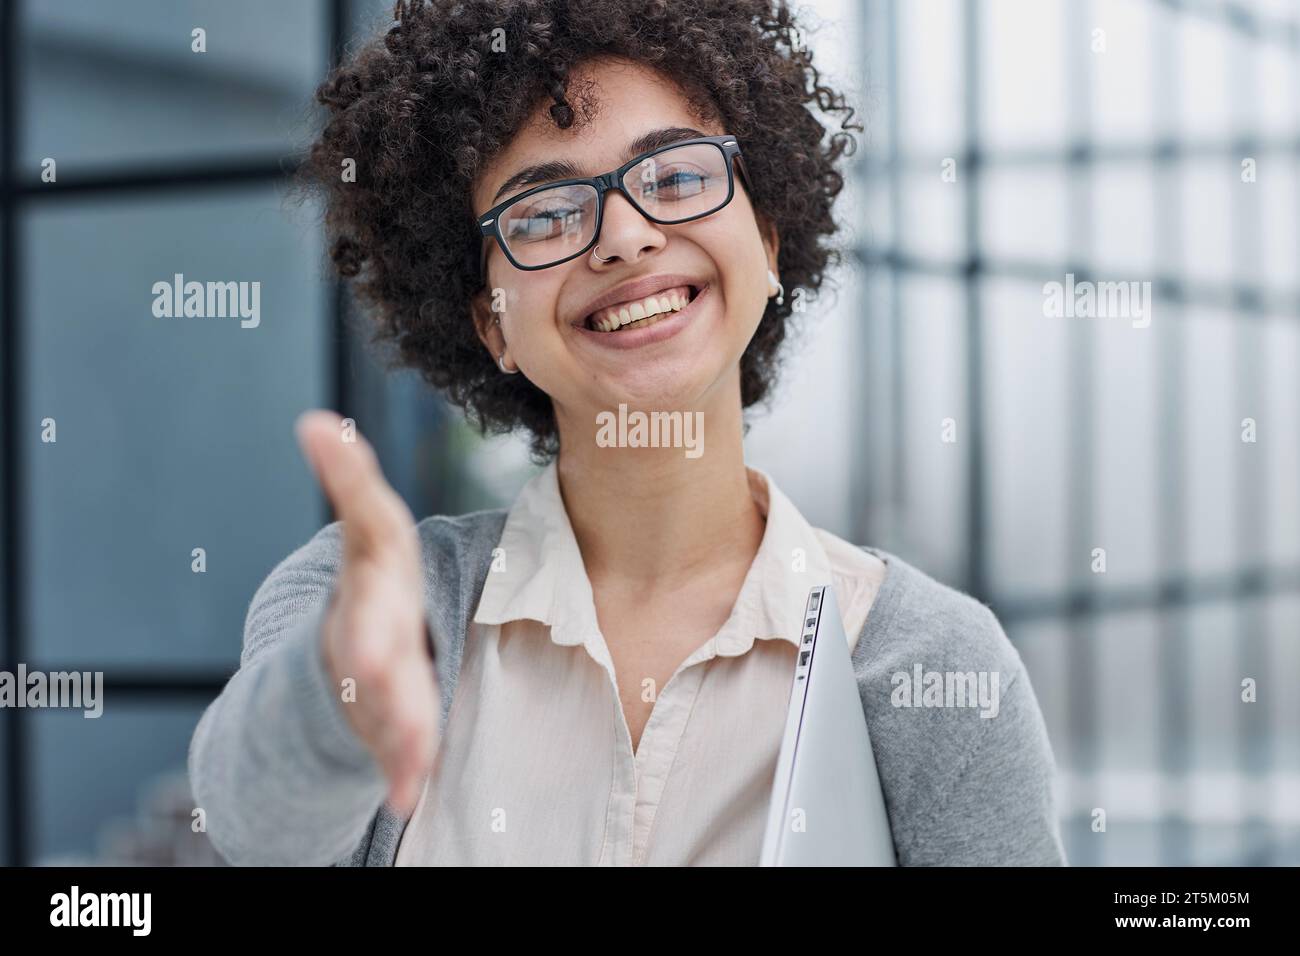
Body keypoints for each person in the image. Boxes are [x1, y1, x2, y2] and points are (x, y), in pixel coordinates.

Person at [188, 0, 1066, 866]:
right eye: (543, 214)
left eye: (677, 176)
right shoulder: (375, 602)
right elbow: (256, 830)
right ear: (491, 324)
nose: (624, 237)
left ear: (765, 241)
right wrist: (340, 701)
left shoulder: (933, 663)